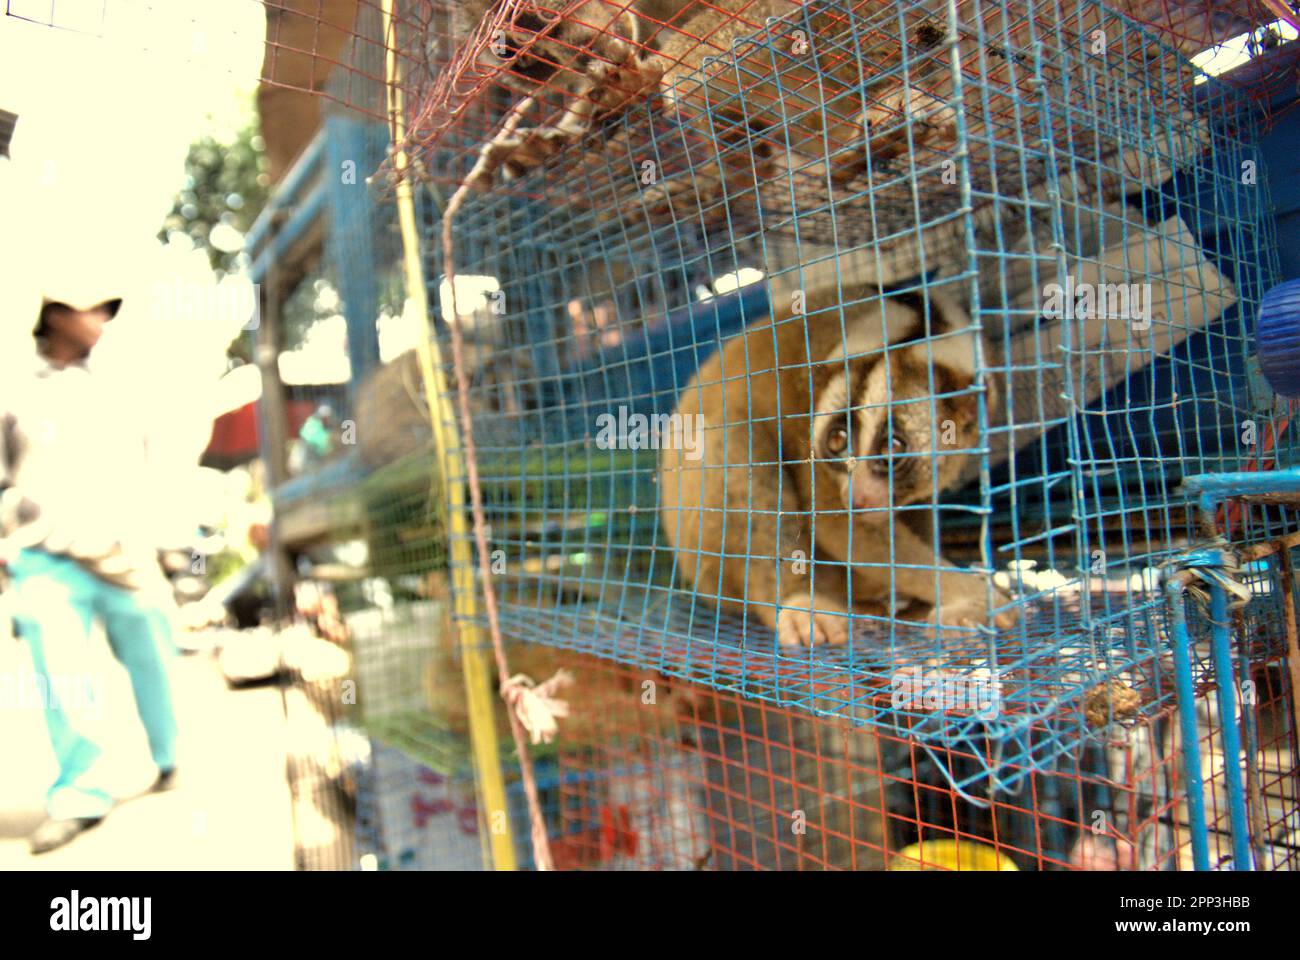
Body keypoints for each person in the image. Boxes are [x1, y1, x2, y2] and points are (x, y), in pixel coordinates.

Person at [0, 271, 179, 854]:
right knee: (66, 680)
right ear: (53, 317)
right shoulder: (14, 388)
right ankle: (81, 795)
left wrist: (161, 540)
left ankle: (169, 755)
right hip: (48, 557)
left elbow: (151, 466)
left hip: (124, 555)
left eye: (105, 312)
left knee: (152, 654)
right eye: (88, 311)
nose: (100, 321)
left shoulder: (120, 386)